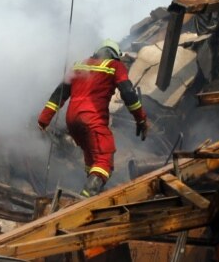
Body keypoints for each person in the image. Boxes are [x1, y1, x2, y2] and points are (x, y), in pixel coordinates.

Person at [37, 39, 149, 197]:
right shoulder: (115, 66)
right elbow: (128, 93)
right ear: (115, 56)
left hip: (72, 120)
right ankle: (83, 200)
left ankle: (91, 195)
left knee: (93, 161)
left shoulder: (78, 65)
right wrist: (141, 119)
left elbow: (58, 94)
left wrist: (43, 120)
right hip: (92, 119)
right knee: (104, 160)